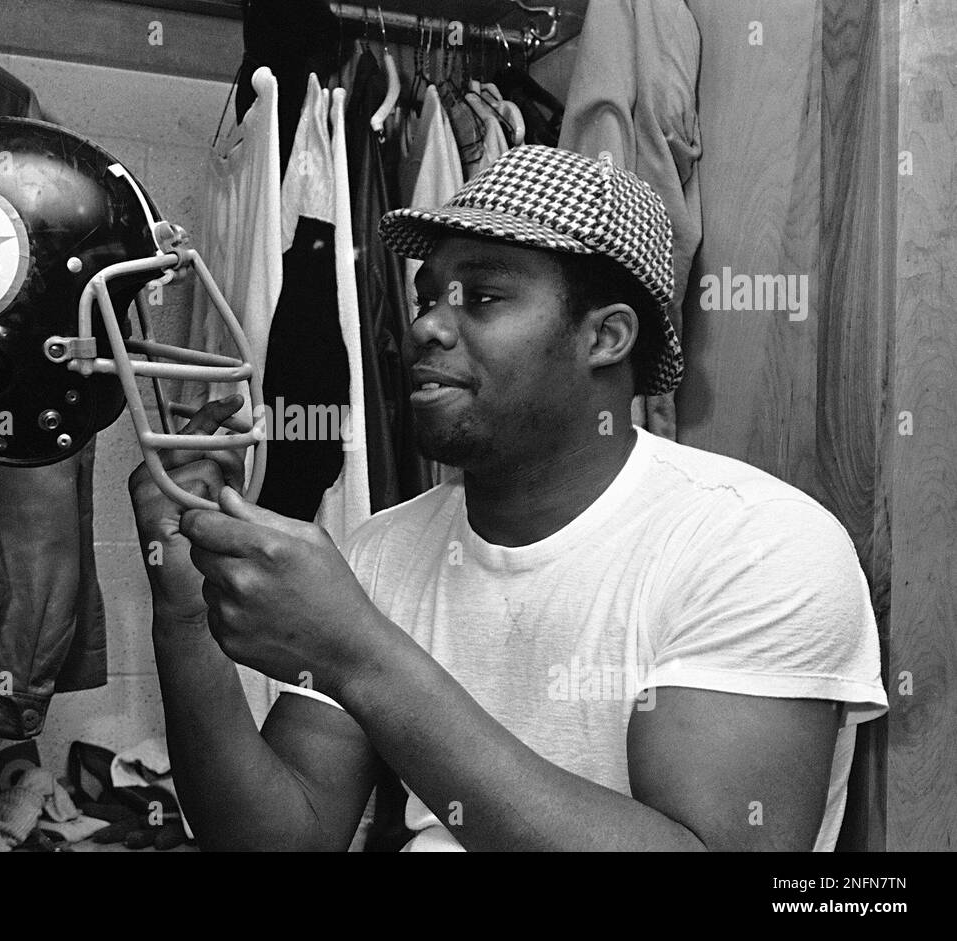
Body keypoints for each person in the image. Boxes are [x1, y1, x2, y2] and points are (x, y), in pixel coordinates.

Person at [128, 145, 888, 851]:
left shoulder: (757, 544)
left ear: (606, 337)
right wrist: (182, 609)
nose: (425, 325)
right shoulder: (383, 550)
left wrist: (357, 652)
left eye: (482, 297)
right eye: (427, 298)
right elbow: (279, 838)